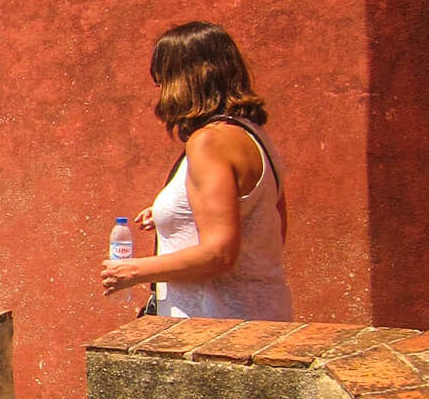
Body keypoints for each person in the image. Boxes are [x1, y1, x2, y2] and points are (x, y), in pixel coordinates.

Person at [101, 21, 293, 320]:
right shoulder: (254, 136)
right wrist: (175, 210)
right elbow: (268, 229)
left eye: (163, 81)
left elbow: (219, 254)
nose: (162, 92)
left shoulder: (208, 142)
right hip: (262, 319)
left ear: (183, 80)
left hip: (214, 328)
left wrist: (133, 270)